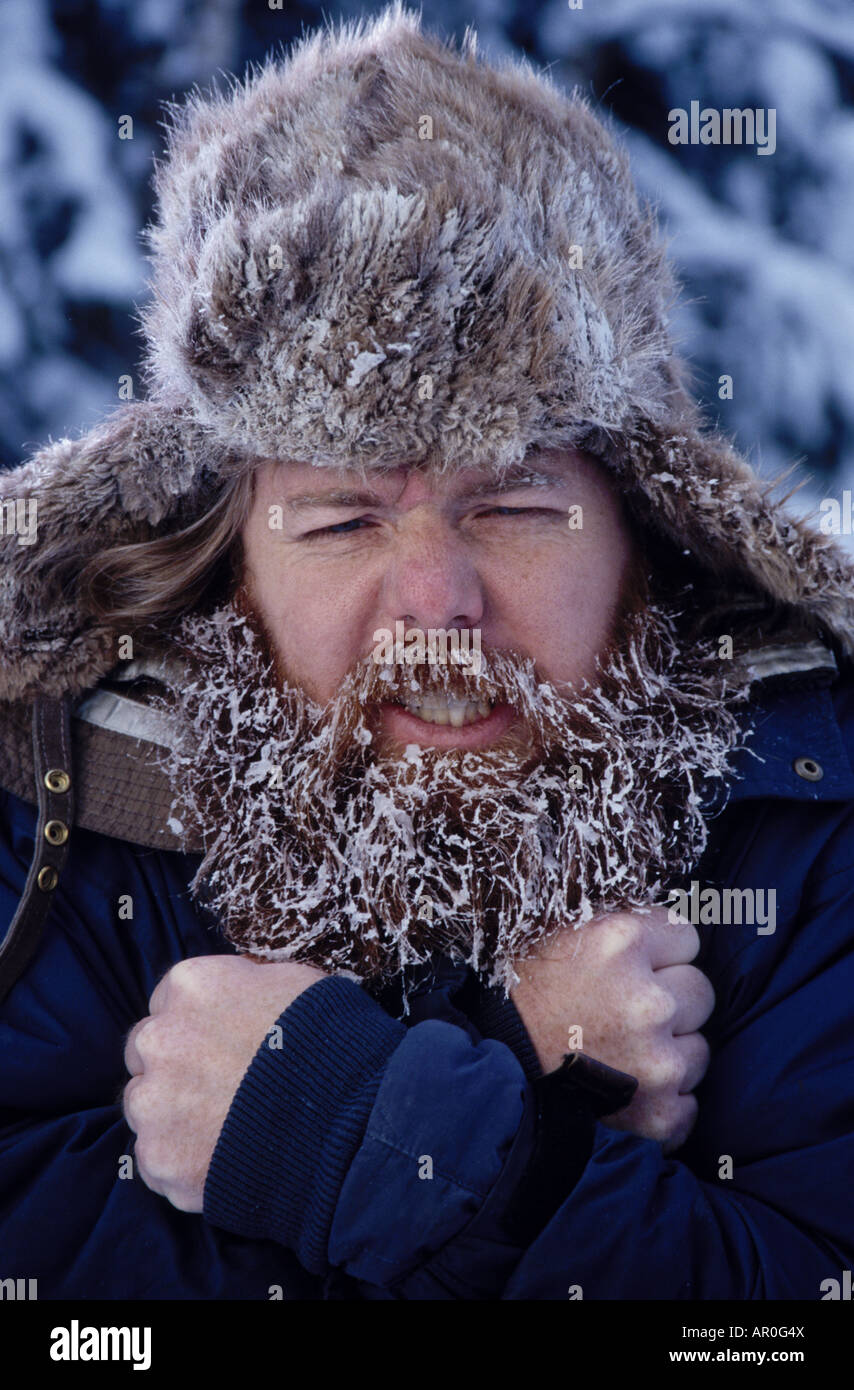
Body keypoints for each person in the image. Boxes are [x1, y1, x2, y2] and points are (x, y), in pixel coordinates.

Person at [1, 3, 852, 1301]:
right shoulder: (50, 831)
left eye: (512, 504)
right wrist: (496, 1092)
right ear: (230, 553)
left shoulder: (808, 824)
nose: (432, 605)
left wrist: (409, 1148)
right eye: (341, 517)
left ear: (645, 518)